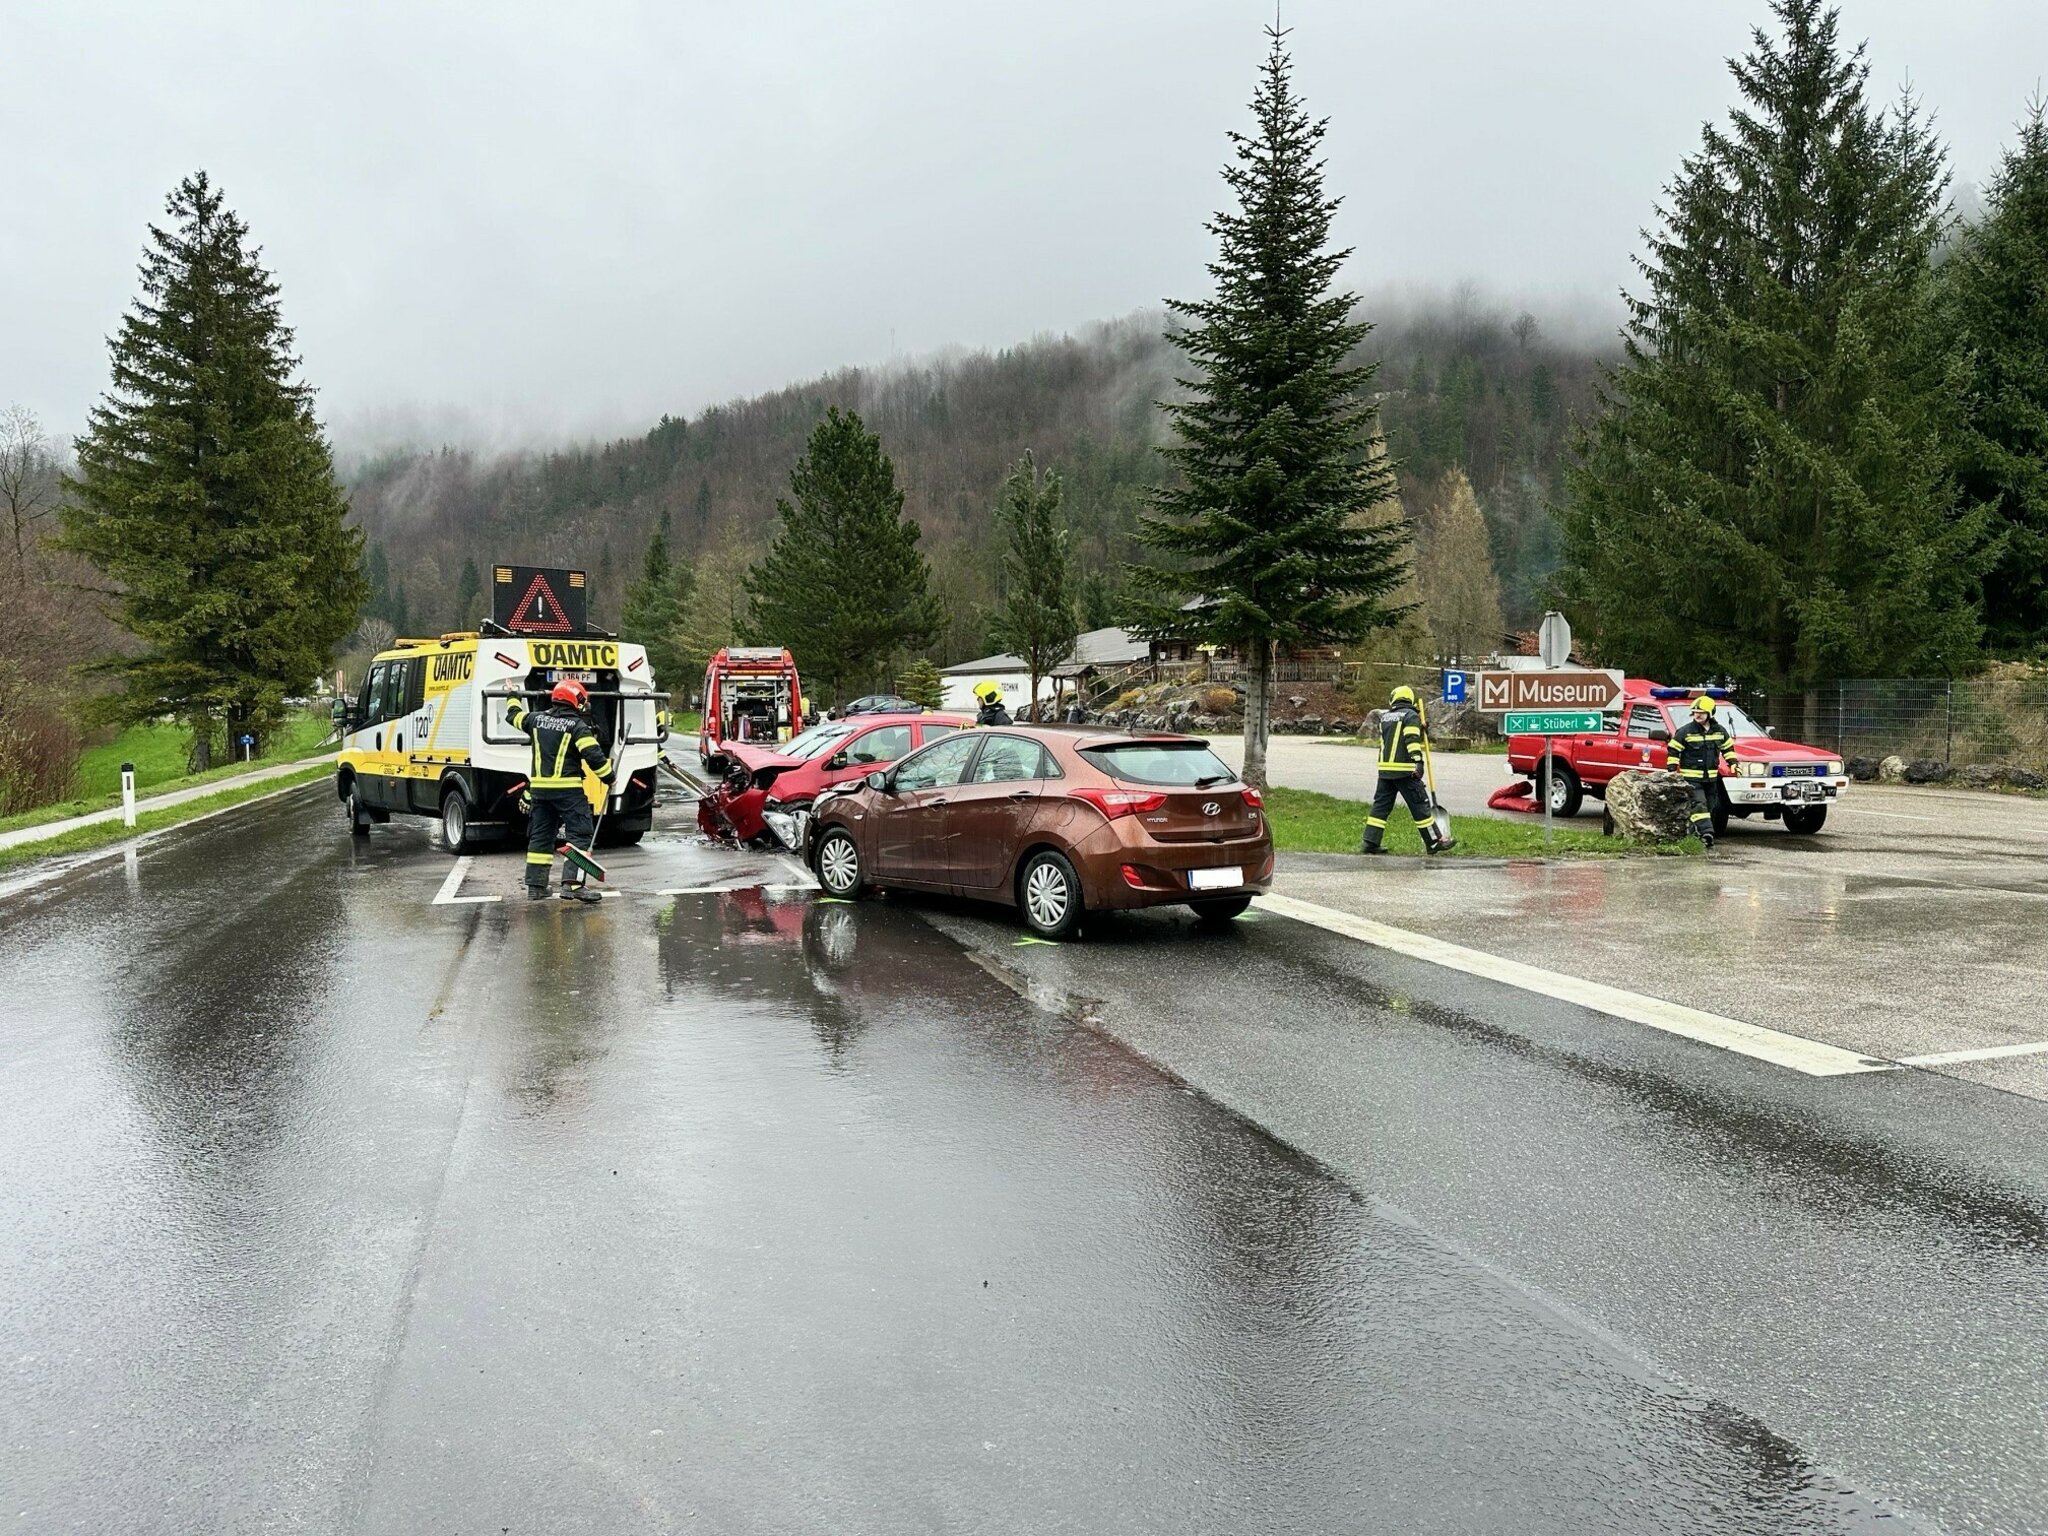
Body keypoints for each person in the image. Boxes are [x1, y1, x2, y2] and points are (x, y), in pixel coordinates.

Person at [506, 678, 614, 902]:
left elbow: (513, 715)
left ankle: (536, 887)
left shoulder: (535, 720)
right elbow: (594, 756)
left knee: (541, 837)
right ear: (576, 700)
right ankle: (572, 886)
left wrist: (512, 694)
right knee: (580, 835)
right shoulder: (577, 727)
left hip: (540, 792)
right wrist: (609, 777)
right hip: (568, 792)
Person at [1360, 684, 1454, 855]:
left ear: (1394, 698)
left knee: (1380, 807)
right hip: (1405, 770)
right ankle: (1434, 842)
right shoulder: (1411, 715)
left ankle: (1370, 842)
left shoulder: (1386, 717)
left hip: (1385, 771)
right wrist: (1418, 762)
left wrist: (1419, 727)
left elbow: (1396, 735)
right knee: (1420, 806)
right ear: (1410, 699)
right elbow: (1410, 739)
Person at [1668, 694, 1737, 846]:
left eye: (1701, 712)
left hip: (1711, 778)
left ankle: (1693, 834)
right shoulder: (1685, 731)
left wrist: (1733, 762)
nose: (1697, 714)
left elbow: (1728, 748)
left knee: (1710, 807)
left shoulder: (1719, 731)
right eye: (1695, 712)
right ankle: (1707, 834)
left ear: (1710, 713)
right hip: (1692, 778)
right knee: (1699, 805)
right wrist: (1671, 769)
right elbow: (1673, 750)